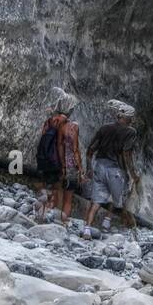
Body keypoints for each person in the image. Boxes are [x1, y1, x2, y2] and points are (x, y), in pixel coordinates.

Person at [83, 101, 140, 235]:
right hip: (116, 170)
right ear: (129, 118)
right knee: (116, 197)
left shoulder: (104, 128)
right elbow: (127, 153)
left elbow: (90, 149)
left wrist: (89, 169)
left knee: (97, 199)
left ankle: (87, 229)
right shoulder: (130, 132)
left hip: (99, 166)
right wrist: (133, 174)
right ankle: (106, 222)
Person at [51, 92, 84, 223]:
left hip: (54, 162)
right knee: (68, 197)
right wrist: (80, 169)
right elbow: (75, 150)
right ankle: (64, 223)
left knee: (55, 191)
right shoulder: (72, 126)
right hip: (70, 165)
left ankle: (51, 217)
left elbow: (57, 144)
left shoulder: (51, 121)